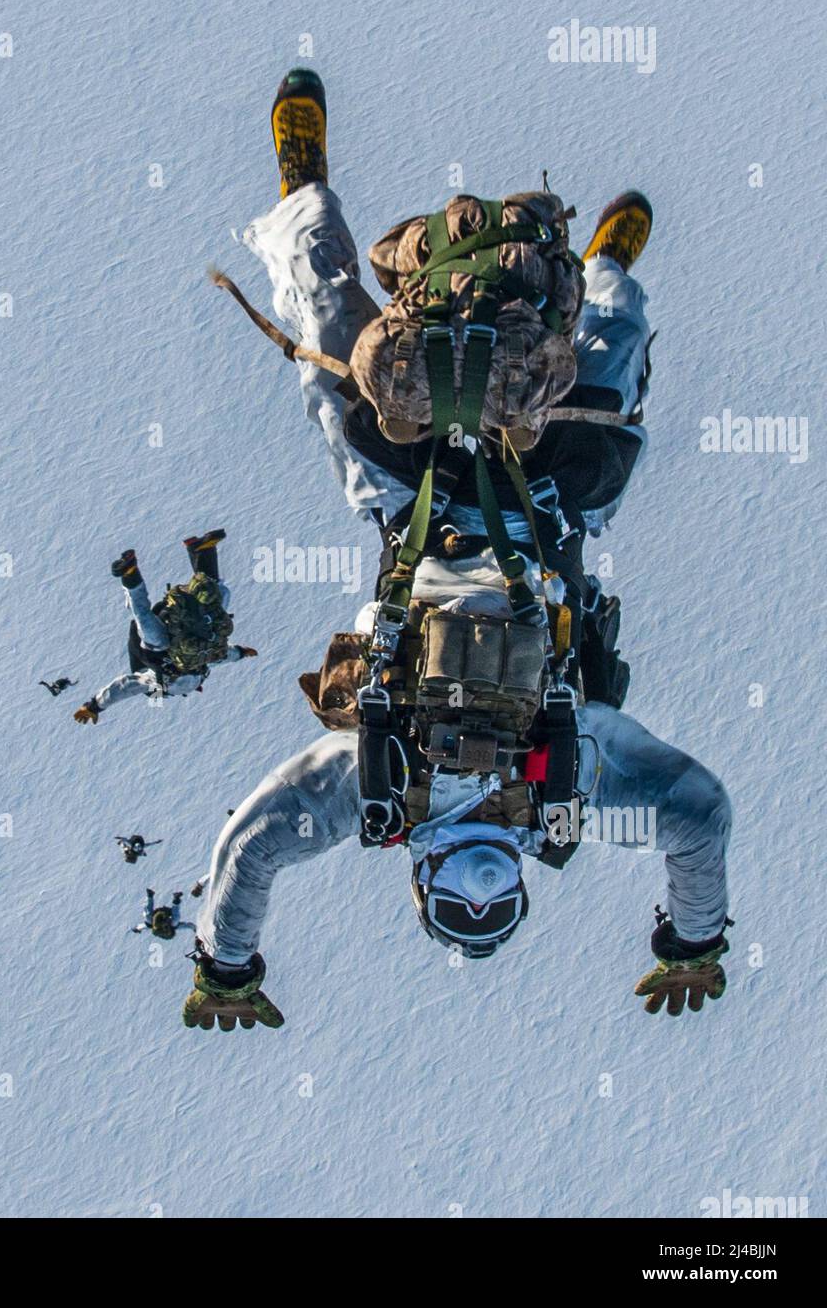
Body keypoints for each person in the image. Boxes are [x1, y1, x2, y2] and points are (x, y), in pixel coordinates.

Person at [181, 70, 731, 1032]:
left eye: (462, 907)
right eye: (492, 907)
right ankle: (305, 194)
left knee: (602, 374)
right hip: (420, 501)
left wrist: (695, 938)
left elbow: (699, 814)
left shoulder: (566, 781)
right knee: (334, 349)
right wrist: (225, 963)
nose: (477, 889)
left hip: (545, 500)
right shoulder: (385, 784)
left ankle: (597, 272)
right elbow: (255, 843)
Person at [73, 531, 257, 723]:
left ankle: (130, 575)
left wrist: (94, 705)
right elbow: (217, 655)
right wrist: (240, 652)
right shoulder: (199, 666)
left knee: (146, 622)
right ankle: (203, 551)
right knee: (214, 606)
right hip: (183, 631)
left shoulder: (154, 682)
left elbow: (125, 687)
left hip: (153, 651)